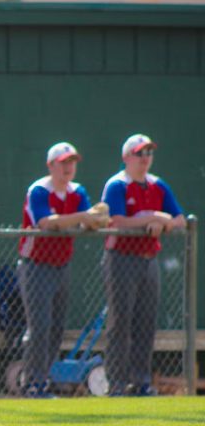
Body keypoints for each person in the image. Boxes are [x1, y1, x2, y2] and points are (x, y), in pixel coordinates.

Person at [17, 142, 108, 398]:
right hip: (35, 266)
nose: (68, 167)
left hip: (61, 266)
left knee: (56, 329)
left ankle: (42, 380)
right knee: (40, 326)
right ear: (50, 165)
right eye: (63, 162)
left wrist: (95, 219)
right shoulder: (39, 190)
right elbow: (46, 222)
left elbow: (89, 220)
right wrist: (84, 217)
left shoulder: (77, 191)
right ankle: (32, 383)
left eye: (72, 162)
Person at [100, 133, 185, 396]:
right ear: (126, 158)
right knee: (121, 323)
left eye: (148, 153)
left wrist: (163, 223)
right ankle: (116, 383)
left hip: (148, 260)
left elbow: (180, 218)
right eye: (139, 154)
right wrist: (152, 216)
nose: (145, 159)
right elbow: (116, 220)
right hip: (121, 260)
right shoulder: (117, 185)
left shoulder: (158, 185)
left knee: (146, 323)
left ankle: (141, 381)